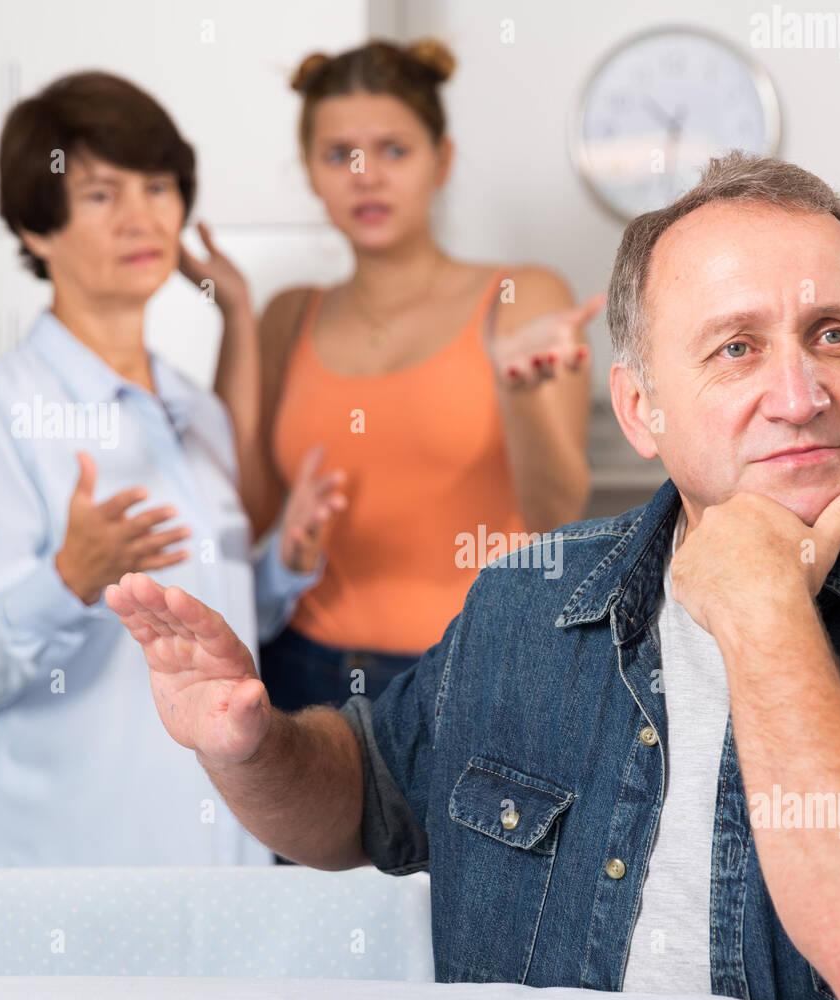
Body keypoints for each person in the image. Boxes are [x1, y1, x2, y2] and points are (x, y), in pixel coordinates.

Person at [106, 151, 840, 1000]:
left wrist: (761, 605)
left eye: (833, 335)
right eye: (736, 348)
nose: (799, 393)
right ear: (641, 411)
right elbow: (358, 799)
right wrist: (251, 746)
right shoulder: (525, 599)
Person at [0, 71, 338, 867]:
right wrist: (69, 576)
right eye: (102, 194)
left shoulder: (192, 410)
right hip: (61, 870)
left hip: (214, 858)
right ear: (36, 229)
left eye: (159, 186)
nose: (143, 216)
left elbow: (206, 620)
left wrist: (281, 568)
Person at [185, 37, 603, 717]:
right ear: (311, 171)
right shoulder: (287, 314)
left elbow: (556, 512)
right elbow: (245, 511)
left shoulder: (518, 297)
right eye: (337, 154)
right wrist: (235, 317)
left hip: (473, 672)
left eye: (394, 150)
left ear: (441, 162)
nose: (365, 175)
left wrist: (516, 390)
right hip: (301, 675)